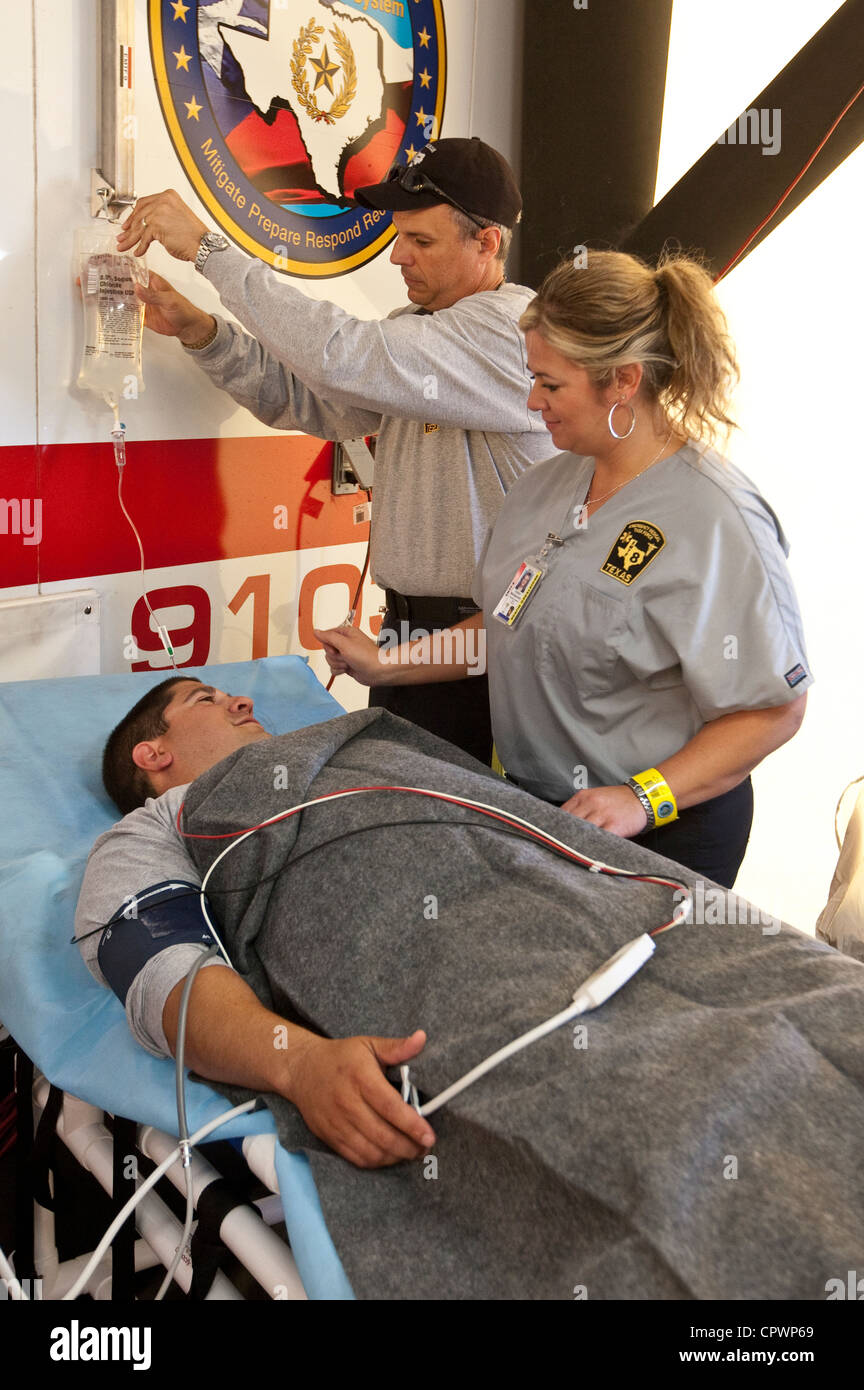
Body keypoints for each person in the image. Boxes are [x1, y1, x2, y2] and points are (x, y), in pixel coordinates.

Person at [316, 250, 812, 888]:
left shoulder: (717, 518)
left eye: (551, 385)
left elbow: (773, 709)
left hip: (664, 829)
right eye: (532, 378)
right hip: (545, 812)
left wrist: (642, 798)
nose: (532, 400)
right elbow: (508, 627)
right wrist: (389, 664)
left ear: (623, 381)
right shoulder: (542, 490)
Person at [114, 140, 557, 765]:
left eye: (422, 242)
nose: (400, 256)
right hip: (413, 635)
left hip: (484, 646)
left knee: (466, 835)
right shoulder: (425, 326)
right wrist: (201, 332)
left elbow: (341, 354)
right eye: (399, 236)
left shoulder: (509, 330)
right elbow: (314, 401)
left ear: (487, 244)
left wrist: (210, 251)